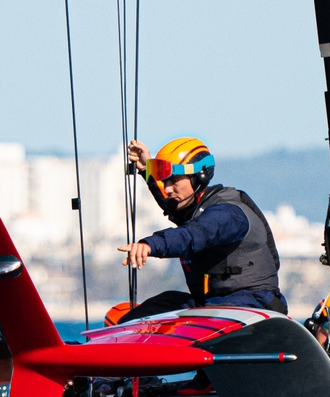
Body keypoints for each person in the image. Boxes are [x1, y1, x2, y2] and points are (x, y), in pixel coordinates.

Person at [112, 136, 284, 322]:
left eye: (174, 181)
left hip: (254, 304)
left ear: (199, 177)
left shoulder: (228, 213)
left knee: (206, 316)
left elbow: (191, 235)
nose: (168, 189)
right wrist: (147, 170)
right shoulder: (193, 209)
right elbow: (170, 204)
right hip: (213, 304)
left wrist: (149, 245)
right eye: (165, 181)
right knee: (152, 310)